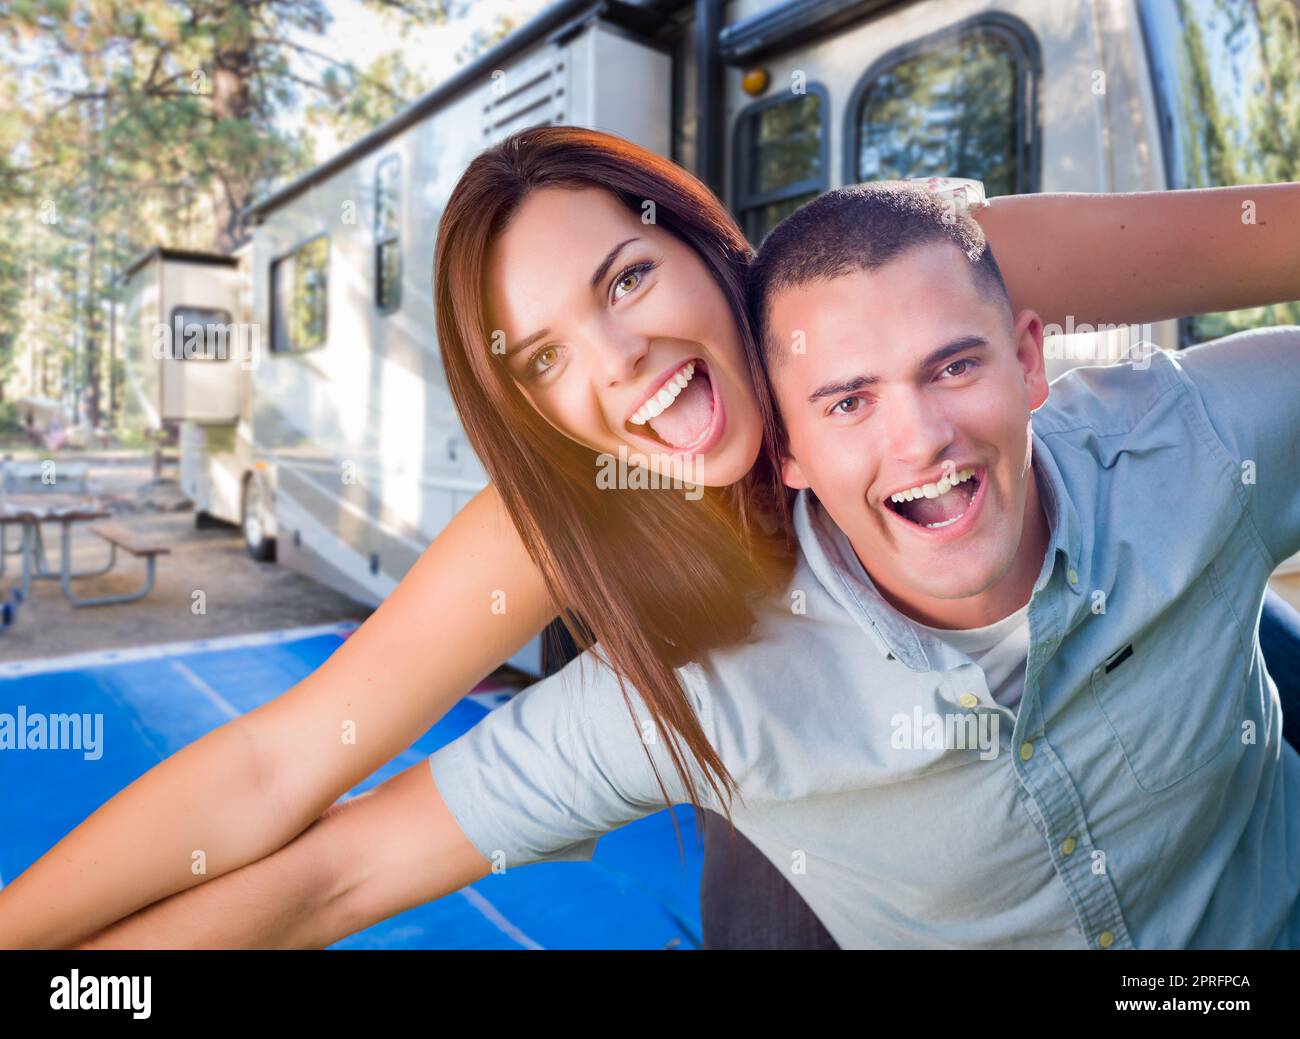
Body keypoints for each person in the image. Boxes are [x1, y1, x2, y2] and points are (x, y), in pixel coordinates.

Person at [4, 127, 1300, 949]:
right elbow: (285, 779)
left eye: (624, 281)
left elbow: (1267, 236)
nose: (620, 364)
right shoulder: (579, 536)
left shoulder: (905, 273)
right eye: (546, 359)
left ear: (699, 244)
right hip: (801, 791)